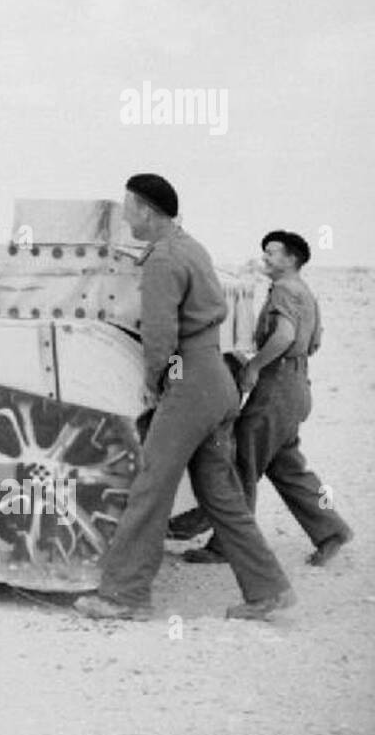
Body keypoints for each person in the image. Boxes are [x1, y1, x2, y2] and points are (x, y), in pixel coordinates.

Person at [74, 175, 295, 620]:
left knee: (151, 487)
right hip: (217, 380)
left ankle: (124, 595)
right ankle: (268, 588)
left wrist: (155, 381)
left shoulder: (161, 260)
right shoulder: (191, 246)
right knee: (220, 493)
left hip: (190, 383)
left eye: (129, 207)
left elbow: (160, 335)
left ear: (146, 211)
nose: (125, 215)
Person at [184, 230, 352, 568]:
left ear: (291, 259)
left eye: (272, 252)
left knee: (242, 462)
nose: (265, 257)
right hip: (297, 385)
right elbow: (313, 341)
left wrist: (256, 367)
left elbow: (285, 335)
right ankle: (331, 530)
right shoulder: (305, 291)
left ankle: (226, 545)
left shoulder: (284, 291)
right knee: (286, 465)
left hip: (276, 388)